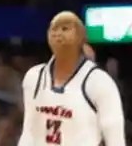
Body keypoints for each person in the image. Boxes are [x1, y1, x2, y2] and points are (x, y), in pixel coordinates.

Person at [19, 10, 125, 146]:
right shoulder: (34, 77)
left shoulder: (100, 82)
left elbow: (116, 140)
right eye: (54, 28)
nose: (58, 34)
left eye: (65, 28)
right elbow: (28, 132)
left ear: (80, 37)